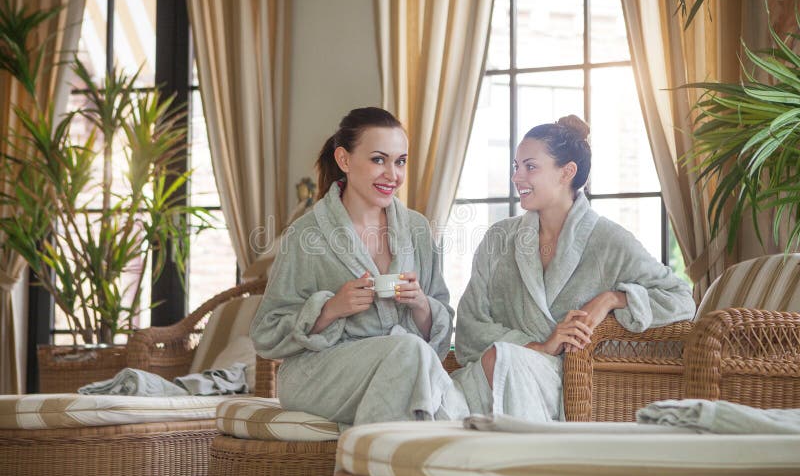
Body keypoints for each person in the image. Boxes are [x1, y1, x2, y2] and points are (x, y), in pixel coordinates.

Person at [451, 115, 696, 422]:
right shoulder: (499, 238)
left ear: (566, 172)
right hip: (487, 376)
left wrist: (612, 299)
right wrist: (538, 346)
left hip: (565, 382)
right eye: (516, 166)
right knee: (432, 382)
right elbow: (470, 326)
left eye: (530, 167)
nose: (516, 177)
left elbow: (681, 299)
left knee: (505, 360)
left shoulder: (608, 241)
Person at [250, 107, 467, 427]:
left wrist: (420, 303)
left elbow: (440, 328)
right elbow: (266, 333)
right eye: (379, 160)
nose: (393, 174)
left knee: (411, 356)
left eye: (400, 161)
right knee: (414, 359)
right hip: (318, 374)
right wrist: (330, 309)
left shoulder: (417, 230)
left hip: (405, 366)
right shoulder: (306, 235)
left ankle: (385, 452)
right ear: (344, 160)